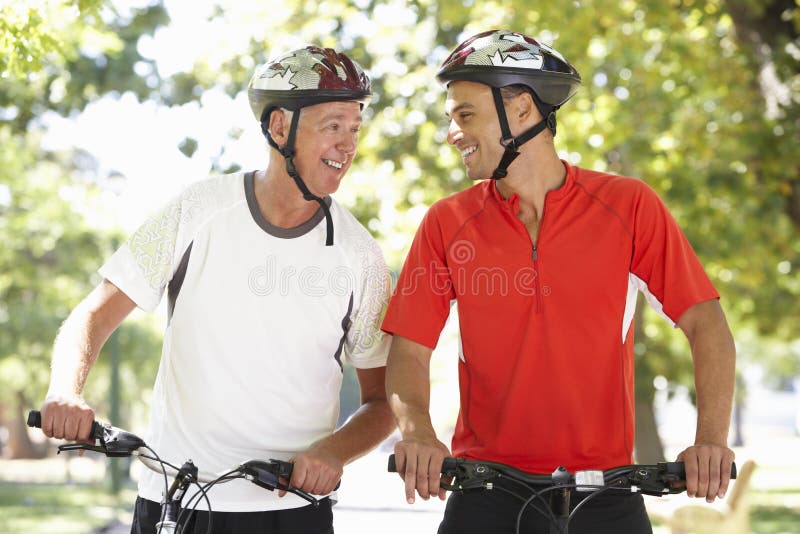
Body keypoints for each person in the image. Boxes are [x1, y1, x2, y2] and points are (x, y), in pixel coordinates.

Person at [382, 30, 736, 534]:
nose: (452, 133)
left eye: (465, 115)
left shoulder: (628, 206)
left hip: (605, 496)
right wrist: (417, 431)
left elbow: (706, 322)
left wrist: (711, 440)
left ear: (522, 110)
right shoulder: (447, 222)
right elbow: (409, 348)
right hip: (485, 496)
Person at [39, 45, 395, 534]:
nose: (348, 144)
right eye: (332, 126)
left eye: (354, 128)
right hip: (175, 502)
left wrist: (334, 451)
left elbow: (383, 401)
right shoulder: (199, 209)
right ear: (279, 128)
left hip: (293, 511)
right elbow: (94, 314)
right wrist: (65, 391)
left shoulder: (360, 254)